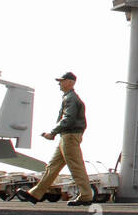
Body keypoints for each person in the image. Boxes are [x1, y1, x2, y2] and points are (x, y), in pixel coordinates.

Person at [16, 72, 93, 206]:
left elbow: (68, 119)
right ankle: (35, 194)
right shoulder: (70, 97)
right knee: (52, 167)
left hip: (69, 137)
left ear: (70, 82)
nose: (59, 83)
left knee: (76, 167)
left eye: (62, 81)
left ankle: (86, 196)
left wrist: (52, 133)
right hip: (66, 137)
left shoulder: (70, 98)